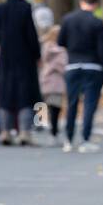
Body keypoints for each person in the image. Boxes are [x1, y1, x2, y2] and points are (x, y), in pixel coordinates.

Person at [0, 0, 42, 146]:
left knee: (5, 94)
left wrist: (2, 40)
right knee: (25, 95)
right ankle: (24, 132)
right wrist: (37, 54)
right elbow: (31, 35)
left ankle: (5, 131)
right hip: (24, 58)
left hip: (6, 57)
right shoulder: (25, 8)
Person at [57, 0, 103, 153]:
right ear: (96, 5)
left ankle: (68, 139)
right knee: (89, 104)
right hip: (93, 66)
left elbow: (61, 42)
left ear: (81, 2)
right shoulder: (97, 22)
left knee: (71, 103)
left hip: (72, 65)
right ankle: (85, 139)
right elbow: (102, 50)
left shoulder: (67, 19)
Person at [37, 16, 66, 144]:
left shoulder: (44, 47)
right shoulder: (62, 50)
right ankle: (53, 131)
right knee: (55, 107)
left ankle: (41, 124)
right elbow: (64, 66)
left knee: (42, 103)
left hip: (45, 79)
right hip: (57, 82)